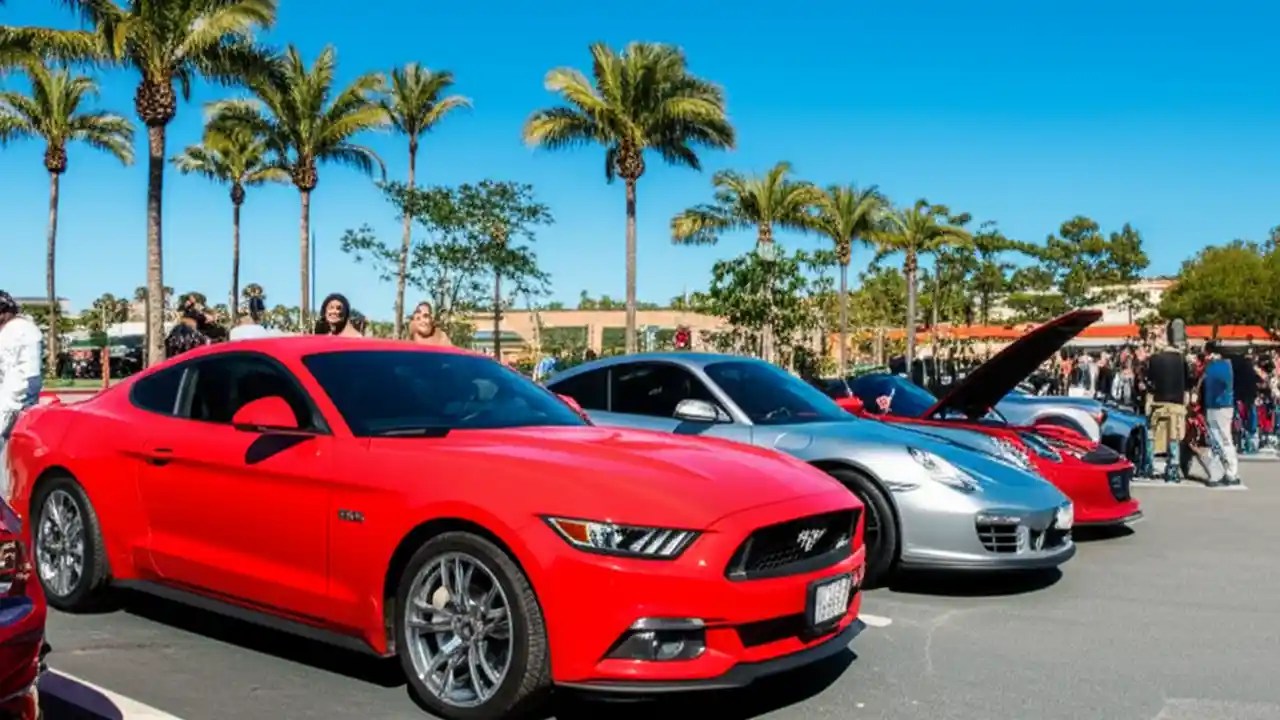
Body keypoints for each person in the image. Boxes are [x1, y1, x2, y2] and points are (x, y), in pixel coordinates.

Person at [0, 292, 43, 501]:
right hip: (17, 395)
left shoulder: (16, 331)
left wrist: (10, 405)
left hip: (15, 397)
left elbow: (23, 374)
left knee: (7, 452)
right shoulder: (18, 329)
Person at [1145, 339, 1190, 482]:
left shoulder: (1155, 359)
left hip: (1158, 401)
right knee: (1174, 435)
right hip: (1177, 402)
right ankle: (1173, 467)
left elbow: (1150, 381)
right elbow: (1187, 382)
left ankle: (1149, 465)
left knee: (1152, 434)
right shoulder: (1182, 359)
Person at [1198, 342, 1239, 487]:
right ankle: (1223, 471)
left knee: (1223, 438)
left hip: (1221, 405)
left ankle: (1230, 471)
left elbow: (1221, 382)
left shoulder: (1221, 365)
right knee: (1216, 439)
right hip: (1214, 405)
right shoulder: (1215, 366)